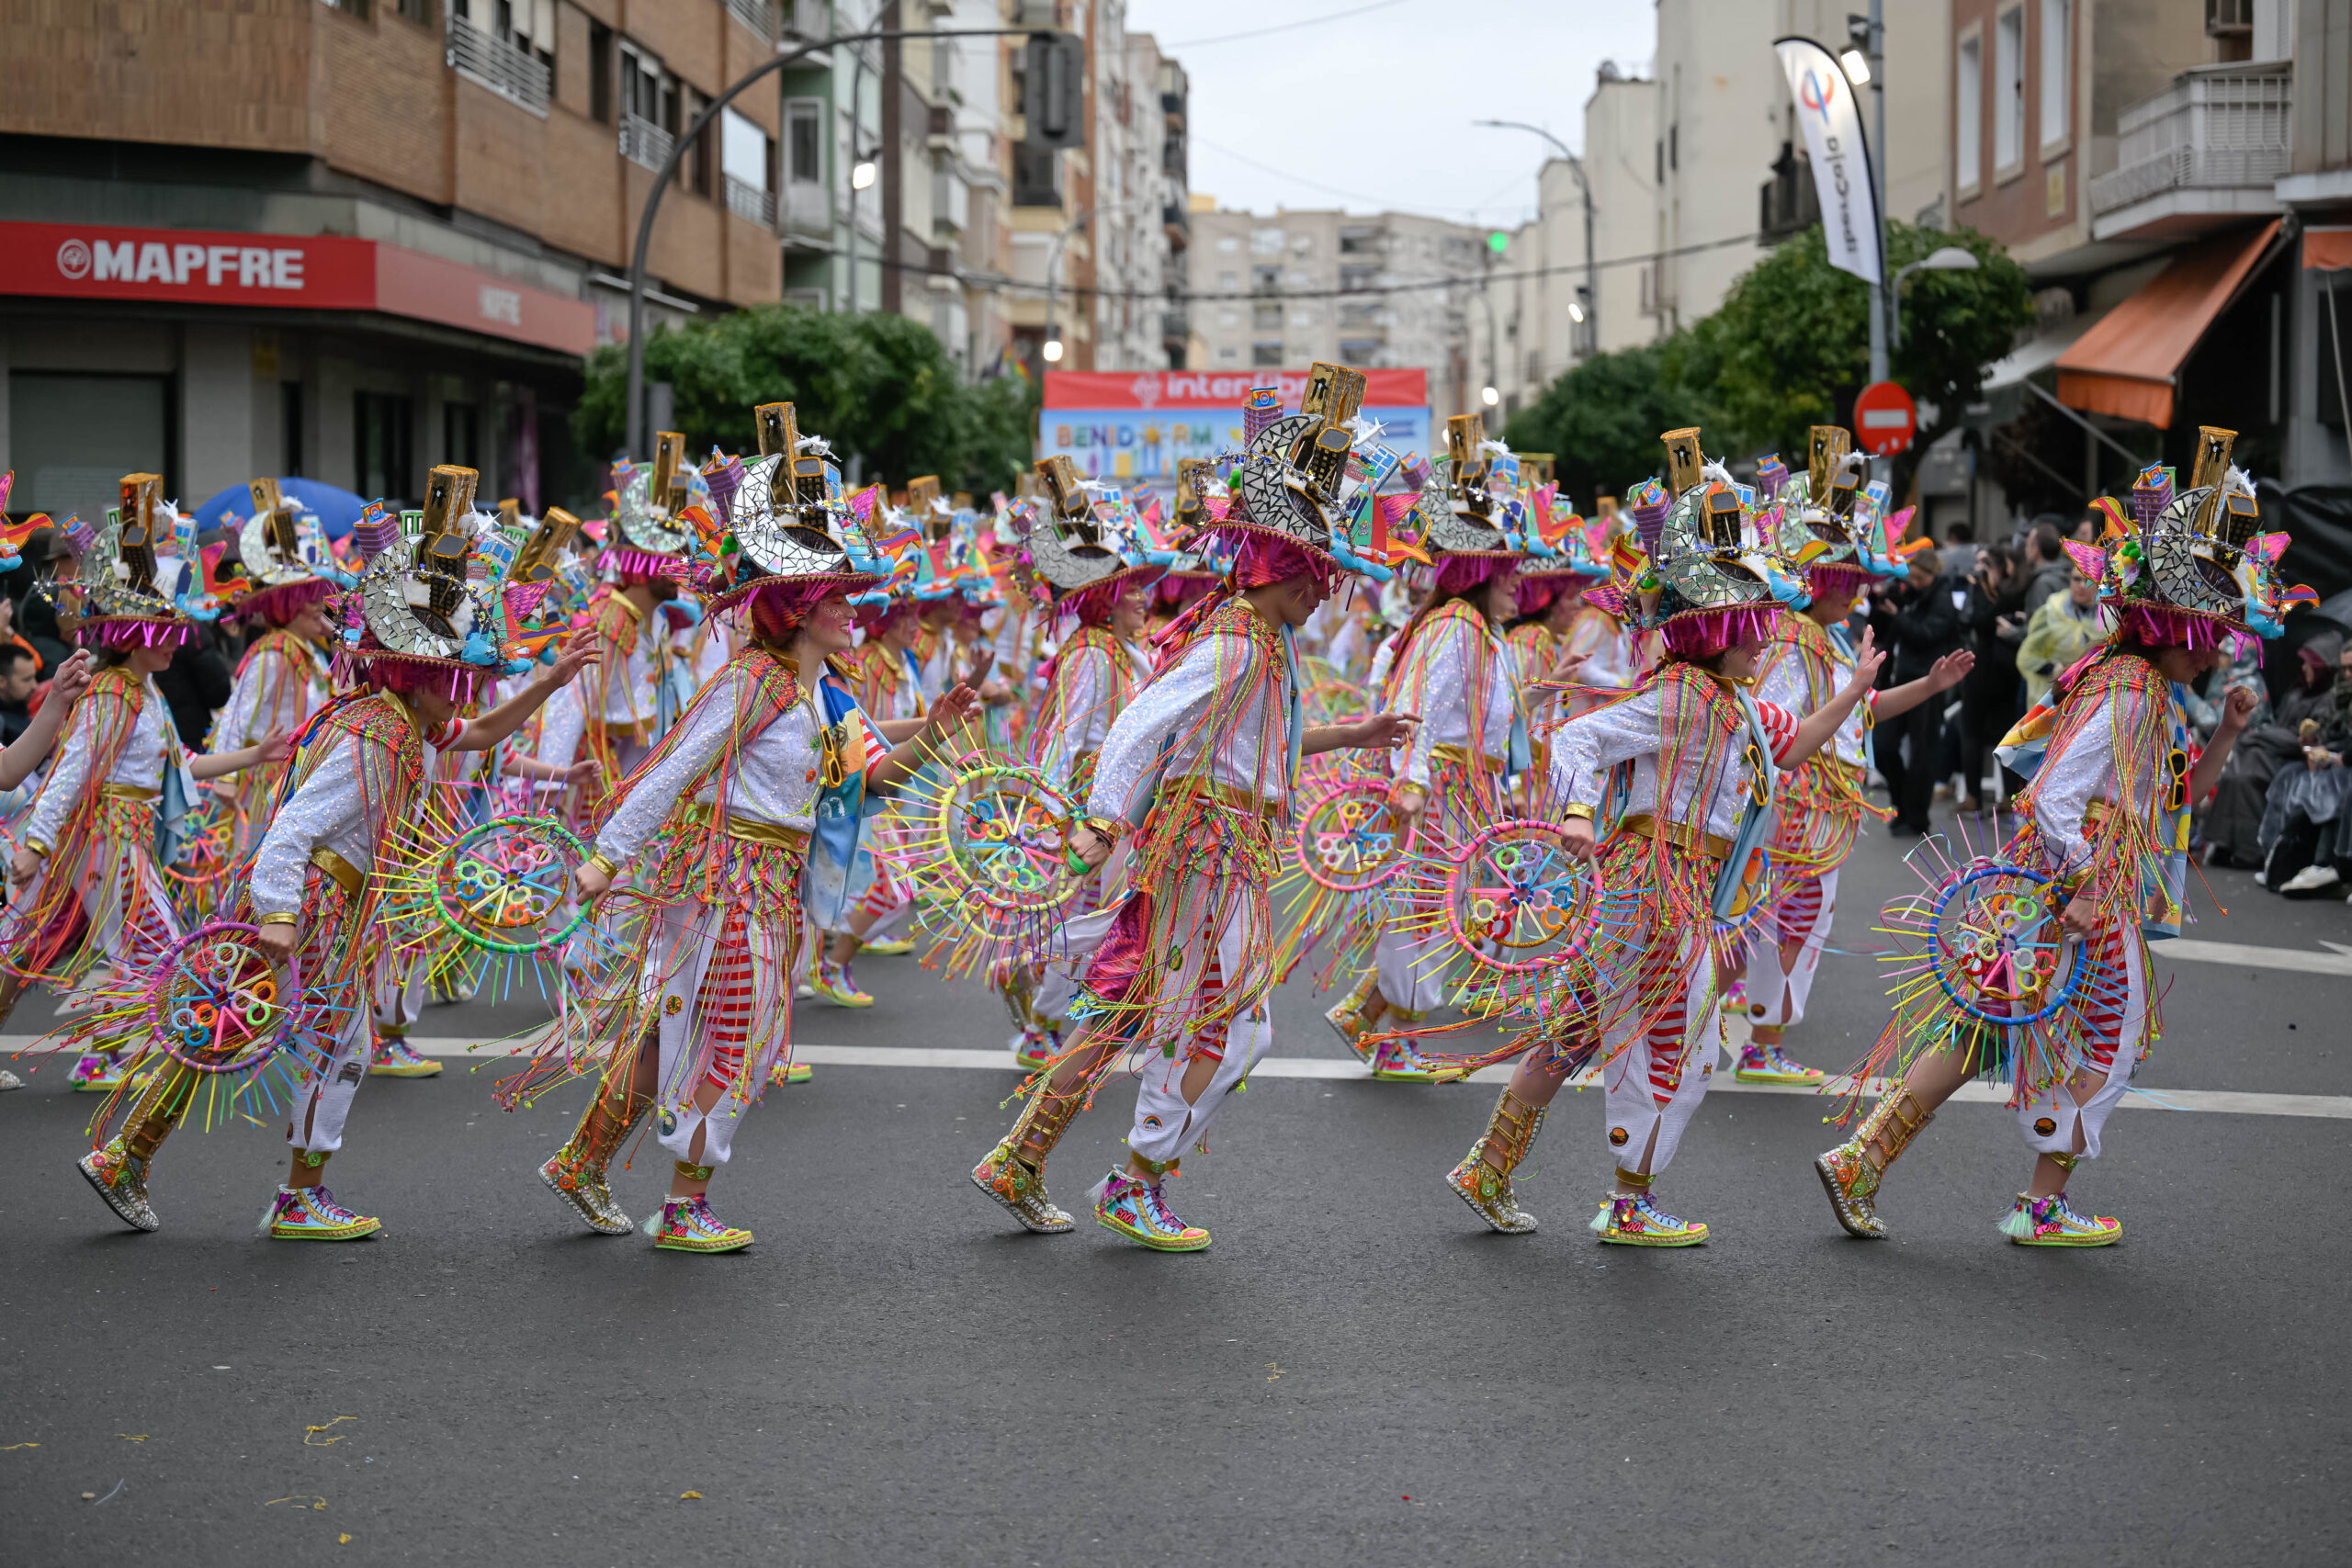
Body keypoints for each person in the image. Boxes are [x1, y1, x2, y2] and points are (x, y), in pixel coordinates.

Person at [74, 464, 602, 1237]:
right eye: (453, 675)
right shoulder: (375, 733)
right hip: (315, 906)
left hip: (336, 906)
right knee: (282, 1033)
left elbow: (484, 734)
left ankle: (143, 1158)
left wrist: (550, 683)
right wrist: (280, 914)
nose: (464, 692)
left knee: (249, 1029)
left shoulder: (401, 721)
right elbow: (292, 829)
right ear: (417, 672)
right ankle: (242, 1181)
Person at [1816, 428, 2297, 1247]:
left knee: (1986, 1025)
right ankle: (2038, 1205)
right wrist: (2084, 887)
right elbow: (2052, 800)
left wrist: (2227, 736)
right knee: (2112, 1039)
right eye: (2208, 628)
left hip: (2070, 887)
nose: (2218, 647)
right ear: (2171, 624)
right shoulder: (2129, 691)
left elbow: (2178, 800)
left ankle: (1864, 1156)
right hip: (2078, 891)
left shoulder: (2138, 687)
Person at [968, 367, 1413, 1252]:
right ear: (1284, 564)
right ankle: (1137, 1180)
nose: (1328, 591)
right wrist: (1099, 819)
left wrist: (1358, 733)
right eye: (1319, 573)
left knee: (1132, 1012)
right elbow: (1141, 722)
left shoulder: (1261, 642)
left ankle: (1021, 1156)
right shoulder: (1243, 640)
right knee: (1235, 1028)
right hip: (1204, 853)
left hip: (1216, 848)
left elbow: (1265, 753)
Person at [526, 403, 977, 1255]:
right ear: (797, 604)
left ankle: (581, 1162)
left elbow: (870, 778)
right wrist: (603, 859)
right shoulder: (755, 683)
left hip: (771, 886)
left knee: (679, 1029)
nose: (854, 609)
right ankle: (685, 1201)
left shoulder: (823, 691)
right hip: (724, 879)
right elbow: (670, 770)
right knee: (732, 1030)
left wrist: (943, 727)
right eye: (837, 595)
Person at [1440, 430, 1879, 1246]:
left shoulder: (1737, 702)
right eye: (1748, 624)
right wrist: (1575, 813)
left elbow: (1795, 742)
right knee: (1673, 1041)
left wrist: (1854, 688)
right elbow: (1578, 741)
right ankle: (1627, 1198)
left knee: (1581, 1027)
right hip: (1652, 883)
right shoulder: (1680, 695)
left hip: (1682, 889)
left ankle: (1490, 1166)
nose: (1762, 638)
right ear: (1712, 629)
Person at [0, 479, 289, 1096]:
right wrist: (37, 845)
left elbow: (178, 767)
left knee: (53, 946)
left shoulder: (143, 693)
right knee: (148, 940)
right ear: (134, 634)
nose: (177, 643)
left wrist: (253, 754)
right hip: (106, 839)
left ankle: (104, 1055)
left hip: (124, 838)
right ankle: (124, 1053)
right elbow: (71, 771)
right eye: (165, 630)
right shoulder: (111, 693)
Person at [1739, 430, 1975, 1087]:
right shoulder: (1797, 637)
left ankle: (1753, 1035)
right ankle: (1757, 1041)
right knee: (1782, 920)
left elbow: (1857, 711)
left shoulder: (1822, 635)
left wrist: (1929, 686)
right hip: (1798, 809)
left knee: (1779, 920)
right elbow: (1779, 724)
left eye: (1855, 581)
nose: (1854, 593)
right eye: (1842, 581)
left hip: (1816, 810)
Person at [990, 459, 1164, 1069]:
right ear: (1108, 599)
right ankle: (1042, 1019)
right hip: (1091, 807)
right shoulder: (1090, 653)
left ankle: (1055, 1006)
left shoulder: (1126, 651)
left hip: (1120, 805)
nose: (1146, 600)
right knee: (1086, 915)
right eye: (1135, 590)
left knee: (1102, 913)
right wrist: (1052, 812)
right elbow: (1063, 739)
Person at [2205, 630, 2339, 866]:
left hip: (2290, 754)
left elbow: (2308, 736)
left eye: (2310, 665)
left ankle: (2250, 851)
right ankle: (2224, 844)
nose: (2304, 669)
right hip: (2272, 747)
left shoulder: (2327, 698)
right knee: (2235, 773)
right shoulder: (2297, 690)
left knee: (2247, 775)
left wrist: (2267, 737)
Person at [1870, 548, 1962, 834]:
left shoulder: (1942, 600)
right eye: (1912, 578)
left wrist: (1898, 615)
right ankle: (1902, 802)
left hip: (1927, 684)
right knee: (1882, 746)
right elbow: (1882, 623)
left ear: (1932, 576)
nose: (1914, 583)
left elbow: (1926, 635)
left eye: (1920, 578)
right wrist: (1880, 598)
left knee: (1924, 754)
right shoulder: (1907, 593)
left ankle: (1916, 815)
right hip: (1897, 681)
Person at [2017, 562, 2106, 709]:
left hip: (2086, 699)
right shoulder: (2052, 611)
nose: (2082, 585)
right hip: (2049, 696)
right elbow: (2027, 656)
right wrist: (2052, 668)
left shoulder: (2107, 618)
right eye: (2076, 579)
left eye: (2088, 580)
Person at [2018, 521, 2072, 616]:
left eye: (2028, 544)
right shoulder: (2068, 573)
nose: (2025, 549)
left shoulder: (2042, 583)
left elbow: (2042, 627)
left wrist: (2013, 631)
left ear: (2036, 549)